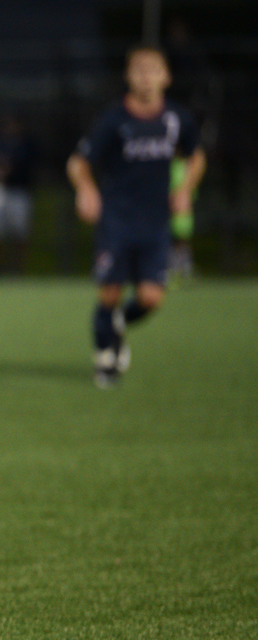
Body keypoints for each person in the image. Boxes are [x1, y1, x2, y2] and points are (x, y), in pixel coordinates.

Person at [68, 45, 205, 389]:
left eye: (153, 70)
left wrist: (185, 189)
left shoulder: (177, 119)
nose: (146, 77)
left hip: (155, 223)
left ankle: (117, 325)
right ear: (128, 76)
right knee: (110, 294)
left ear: (166, 77)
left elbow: (197, 157)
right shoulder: (114, 120)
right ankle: (105, 360)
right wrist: (86, 189)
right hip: (116, 220)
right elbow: (78, 162)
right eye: (139, 70)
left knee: (150, 298)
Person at [0, 115, 38, 275]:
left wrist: (10, 170)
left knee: (20, 233)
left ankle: (17, 270)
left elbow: (29, 167)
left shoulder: (27, 144)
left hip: (19, 190)